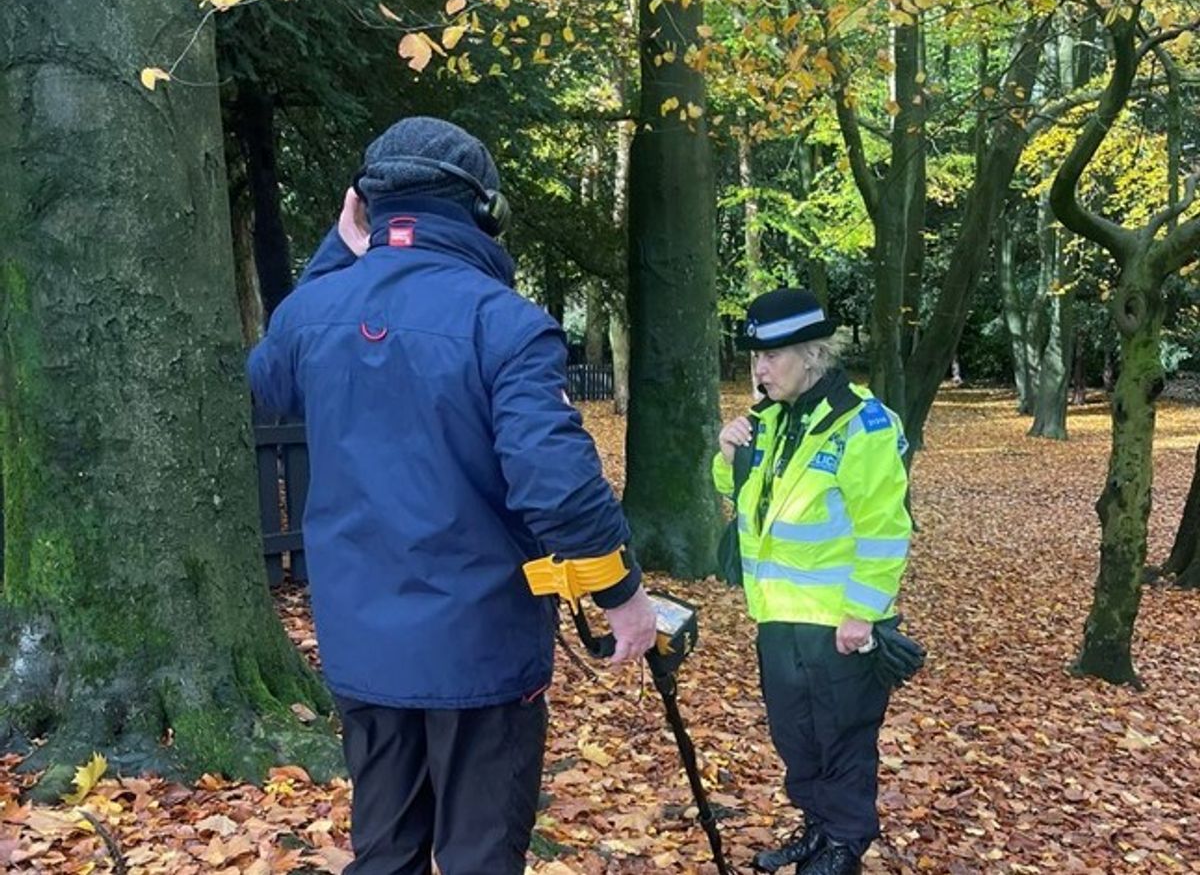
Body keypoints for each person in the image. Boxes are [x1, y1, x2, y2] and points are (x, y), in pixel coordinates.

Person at [247, 116, 658, 875]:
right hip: (481, 651)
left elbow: (267, 372)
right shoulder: (504, 323)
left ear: (367, 204)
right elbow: (557, 482)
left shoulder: (317, 311)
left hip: (362, 646)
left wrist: (339, 249)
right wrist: (622, 592)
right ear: (483, 212)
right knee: (478, 854)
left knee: (384, 851)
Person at [712, 288, 912, 875]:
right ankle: (818, 828)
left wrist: (862, 613)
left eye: (772, 357)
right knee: (795, 736)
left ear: (813, 356)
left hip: (836, 620)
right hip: (777, 614)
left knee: (843, 736)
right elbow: (742, 500)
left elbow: (885, 529)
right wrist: (727, 457)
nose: (760, 369)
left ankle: (844, 845)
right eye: (755, 358)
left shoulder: (863, 424)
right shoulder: (770, 421)